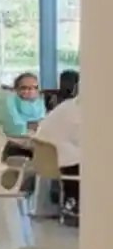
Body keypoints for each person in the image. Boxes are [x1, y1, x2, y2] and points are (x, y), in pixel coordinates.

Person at [35, 86, 80, 216]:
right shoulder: (78, 112)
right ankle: (74, 204)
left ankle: (71, 202)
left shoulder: (67, 106)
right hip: (64, 161)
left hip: (48, 158)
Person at [0, 72, 46, 137]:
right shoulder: (6, 100)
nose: (30, 91)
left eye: (34, 87)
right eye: (24, 87)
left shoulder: (37, 102)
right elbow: (13, 128)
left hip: (25, 140)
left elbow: (41, 122)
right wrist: (35, 125)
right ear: (16, 89)